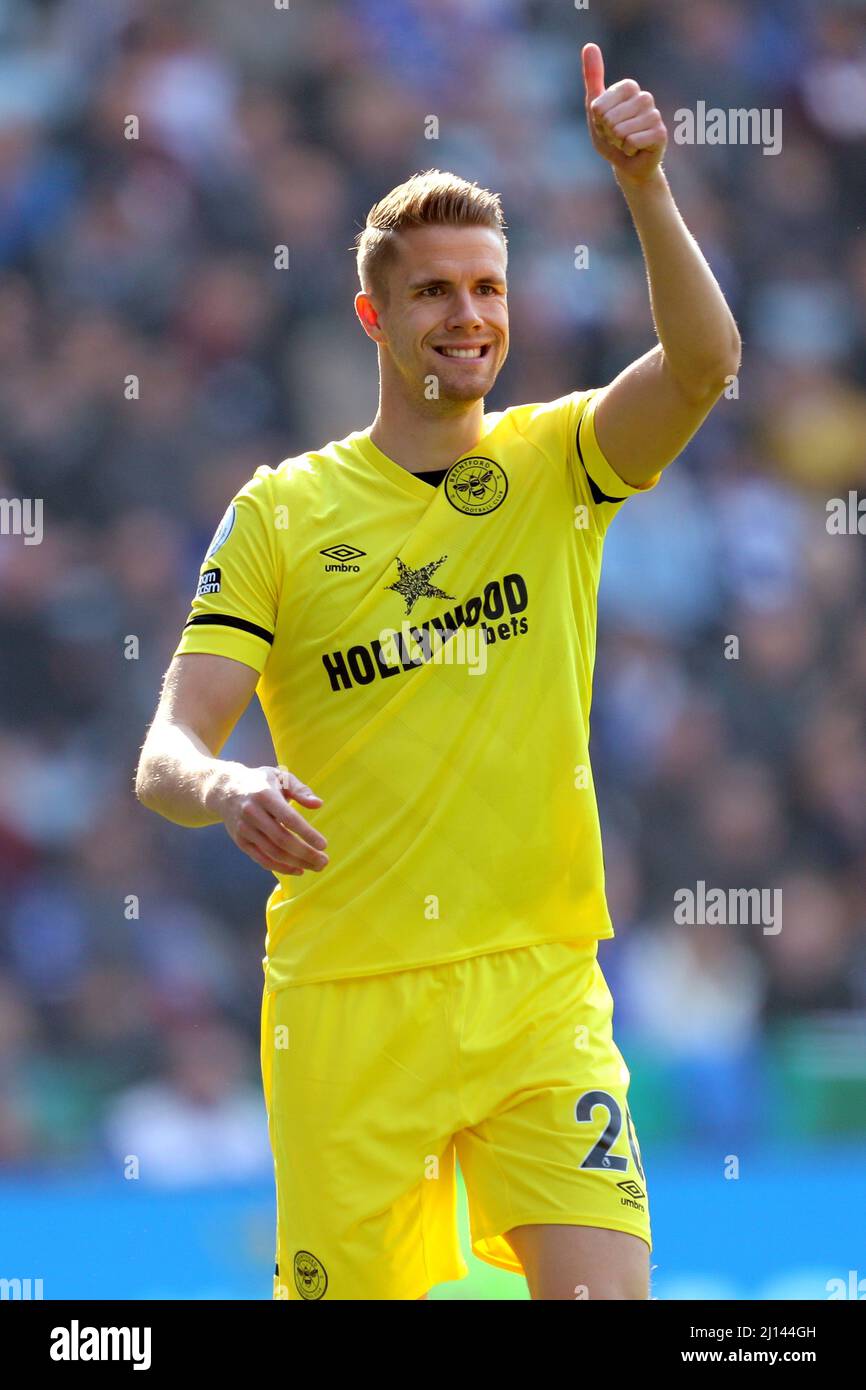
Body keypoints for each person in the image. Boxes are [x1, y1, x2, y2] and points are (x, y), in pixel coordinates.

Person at [135, 44, 740, 1300]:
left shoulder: (554, 463)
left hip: (537, 986)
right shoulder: (282, 514)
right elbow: (163, 752)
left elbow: (702, 368)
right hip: (348, 1004)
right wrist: (227, 787)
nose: (467, 318)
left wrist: (642, 185)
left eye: (487, 289)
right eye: (432, 295)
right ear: (374, 314)